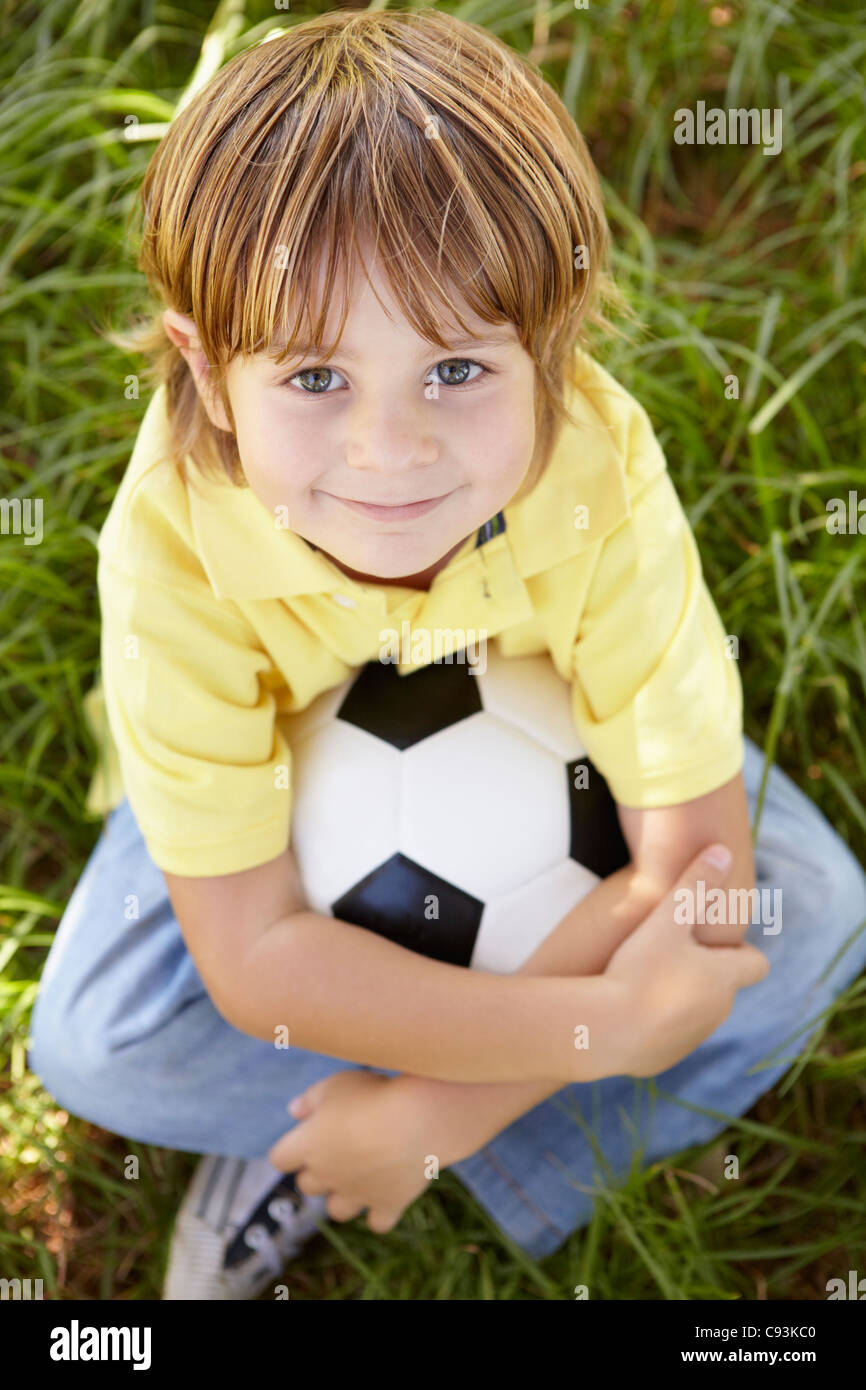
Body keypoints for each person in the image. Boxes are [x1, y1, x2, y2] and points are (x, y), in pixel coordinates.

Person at [27, 9, 866, 1300]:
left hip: (569, 743)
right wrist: (609, 1027)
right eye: (313, 379)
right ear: (203, 370)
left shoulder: (598, 476)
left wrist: (441, 1111)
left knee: (805, 918)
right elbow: (251, 955)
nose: (389, 450)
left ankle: (370, 1138)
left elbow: (698, 873)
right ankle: (357, 1131)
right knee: (94, 1042)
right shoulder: (169, 544)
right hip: (262, 775)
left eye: (457, 367)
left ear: (554, 339)